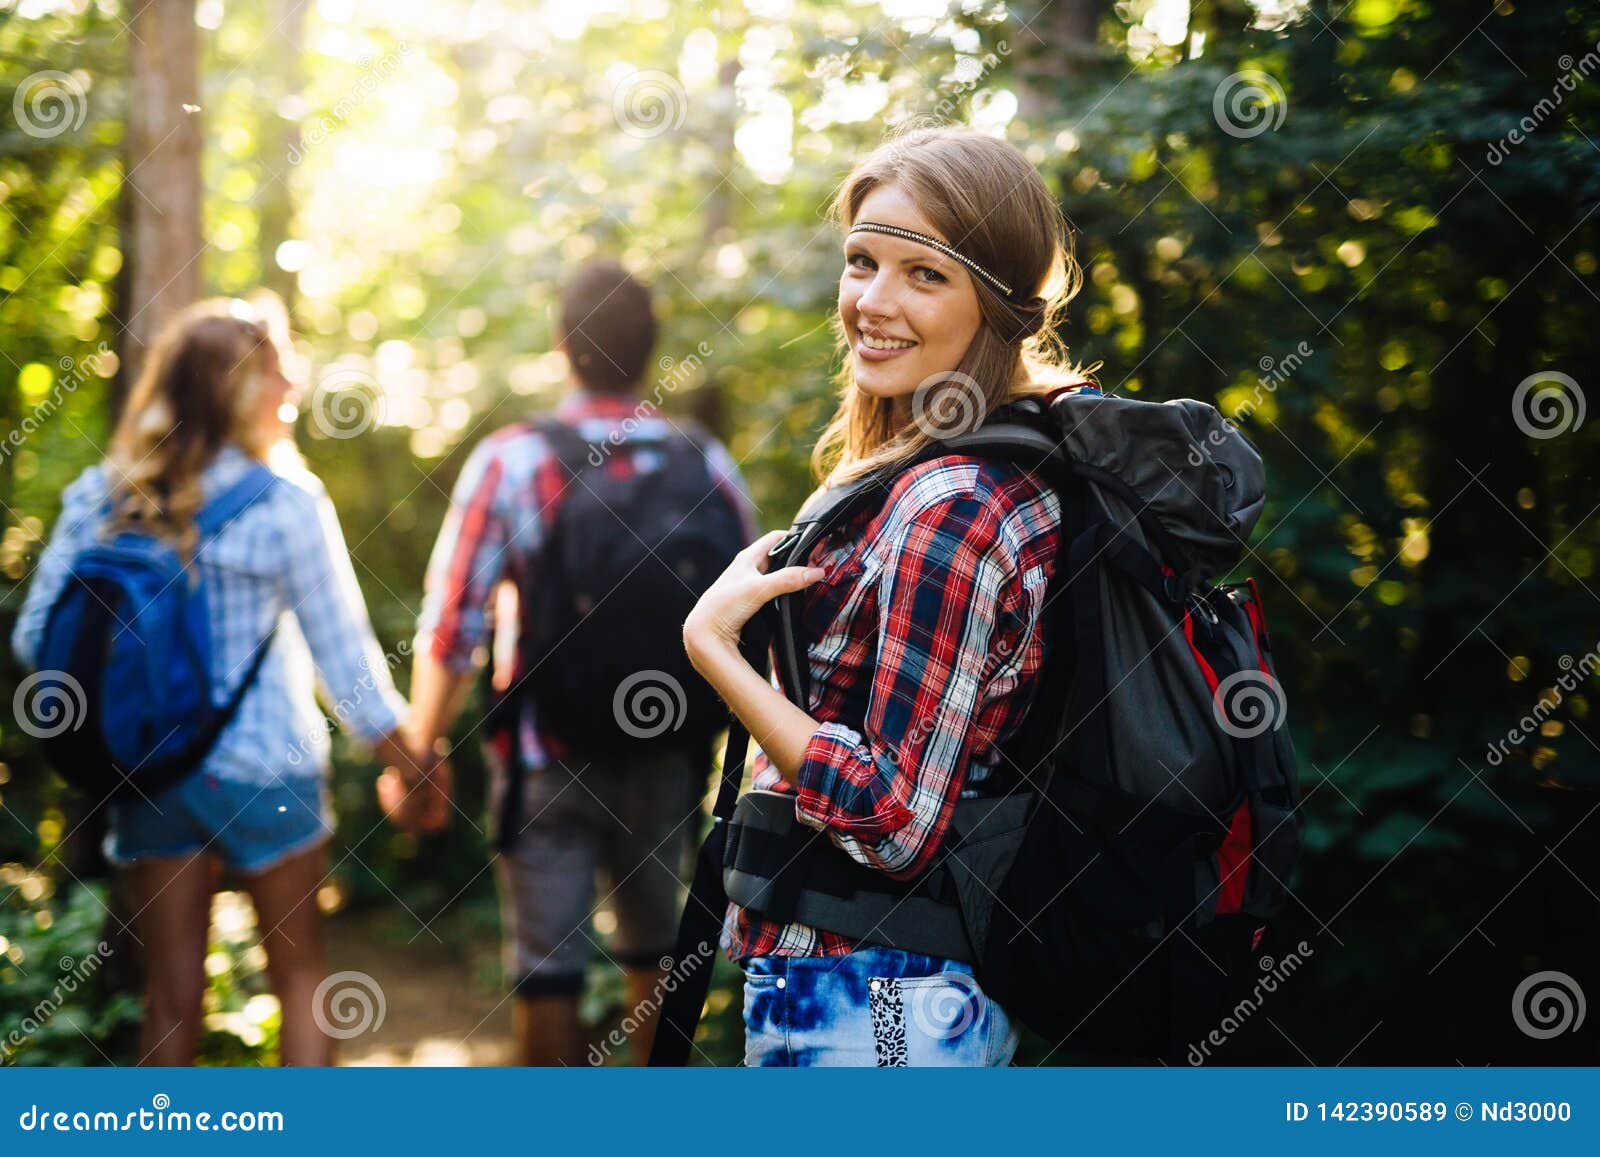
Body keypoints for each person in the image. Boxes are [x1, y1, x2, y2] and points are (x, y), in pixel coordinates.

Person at [681, 125, 1095, 1066]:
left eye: (924, 274)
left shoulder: (951, 504)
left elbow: (893, 817)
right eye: (862, 259)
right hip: (899, 997)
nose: (872, 300)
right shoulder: (990, 464)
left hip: (875, 1011)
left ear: (994, 303)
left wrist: (712, 647)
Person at [10, 296, 440, 1066]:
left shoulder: (105, 495)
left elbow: (34, 636)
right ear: (243, 390)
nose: (293, 388)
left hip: (149, 771)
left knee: (171, 1002)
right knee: (301, 977)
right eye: (279, 372)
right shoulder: (285, 503)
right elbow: (347, 667)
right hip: (264, 767)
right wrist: (411, 765)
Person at [409, 260, 756, 1066]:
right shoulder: (702, 460)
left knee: (546, 974)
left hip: (544, 756)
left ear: (565, 344)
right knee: (657, 955)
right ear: (649, 349)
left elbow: (453, 622)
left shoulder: (515, 457)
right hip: (669, 748)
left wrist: (420, 749)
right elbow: (754, 603)